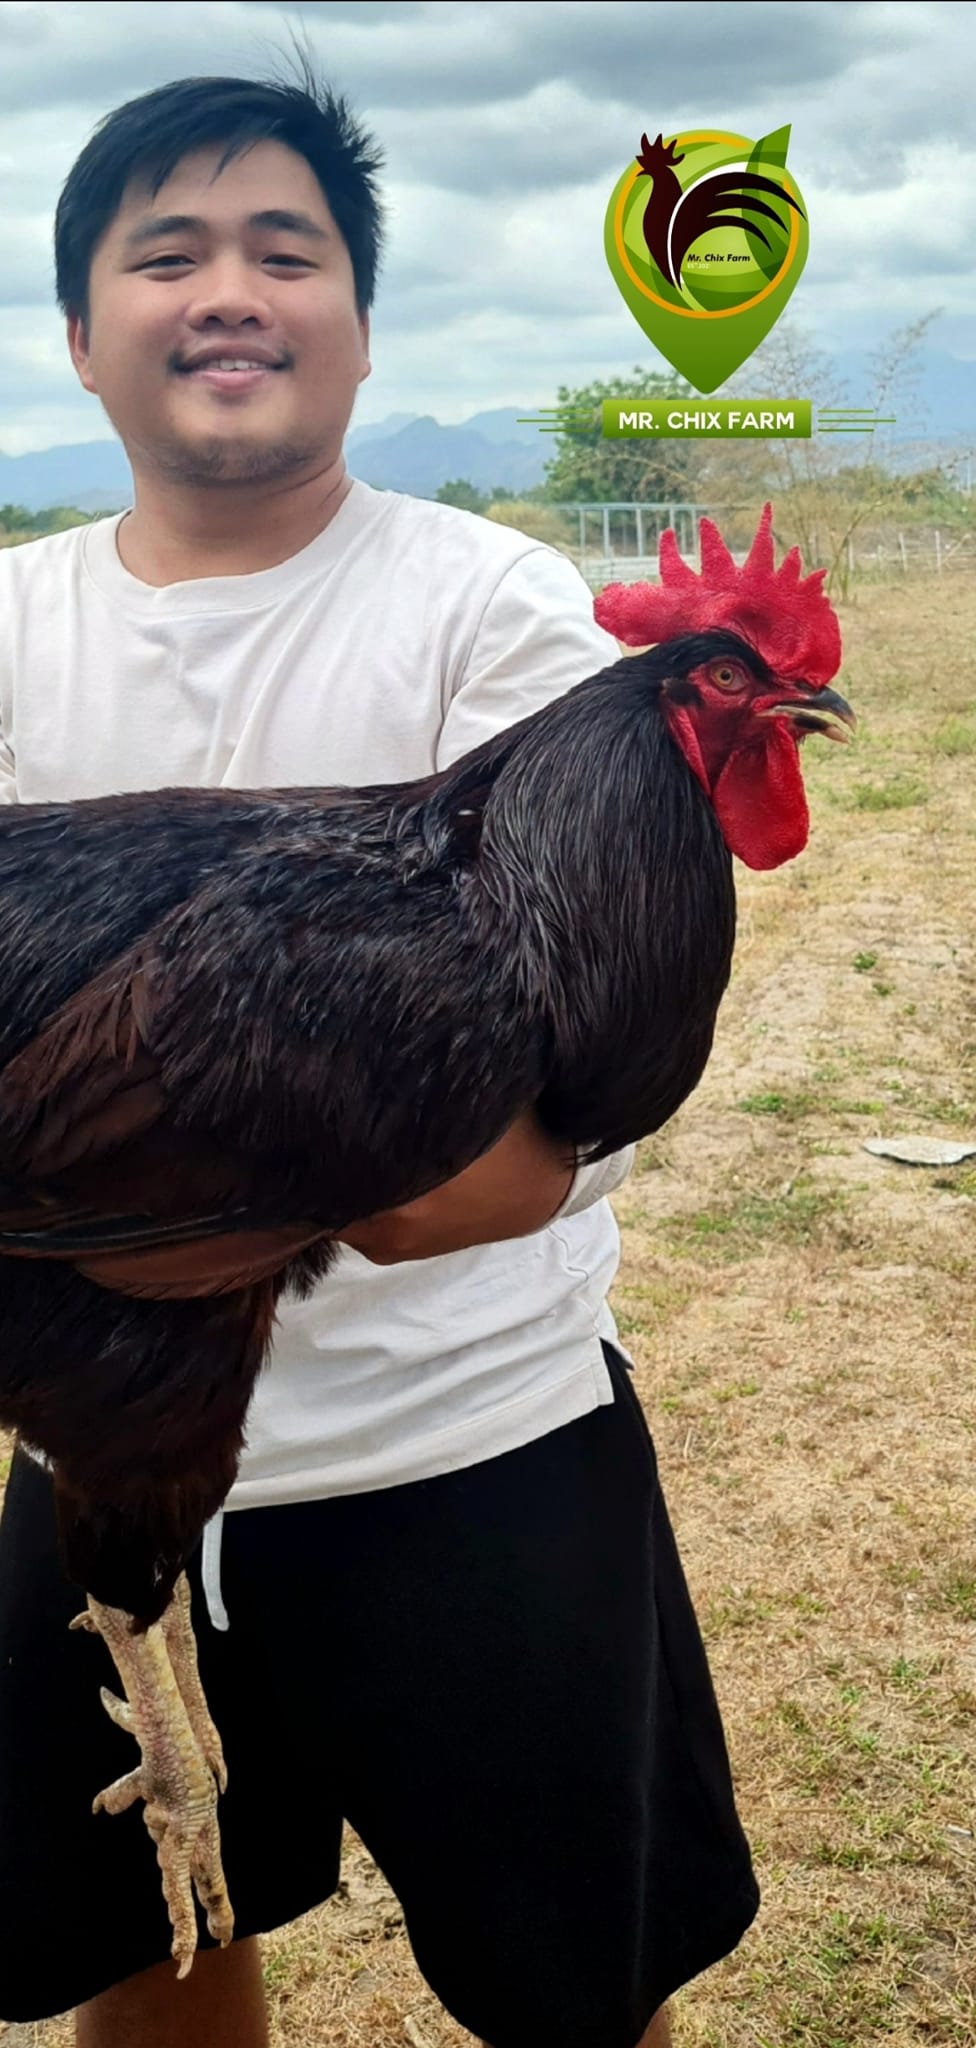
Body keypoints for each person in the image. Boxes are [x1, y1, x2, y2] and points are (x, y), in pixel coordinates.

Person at [0, 52, 759, 2048]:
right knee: (152, 1943)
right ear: (80, 335)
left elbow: (540, 1106)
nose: (227, 291)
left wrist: (280, 1168)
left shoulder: (494, 609)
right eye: (166, 253)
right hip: (108, 1453)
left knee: (579, 1980)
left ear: (356, 321)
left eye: (286, 249)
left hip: (474, 1443)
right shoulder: (13, 627)